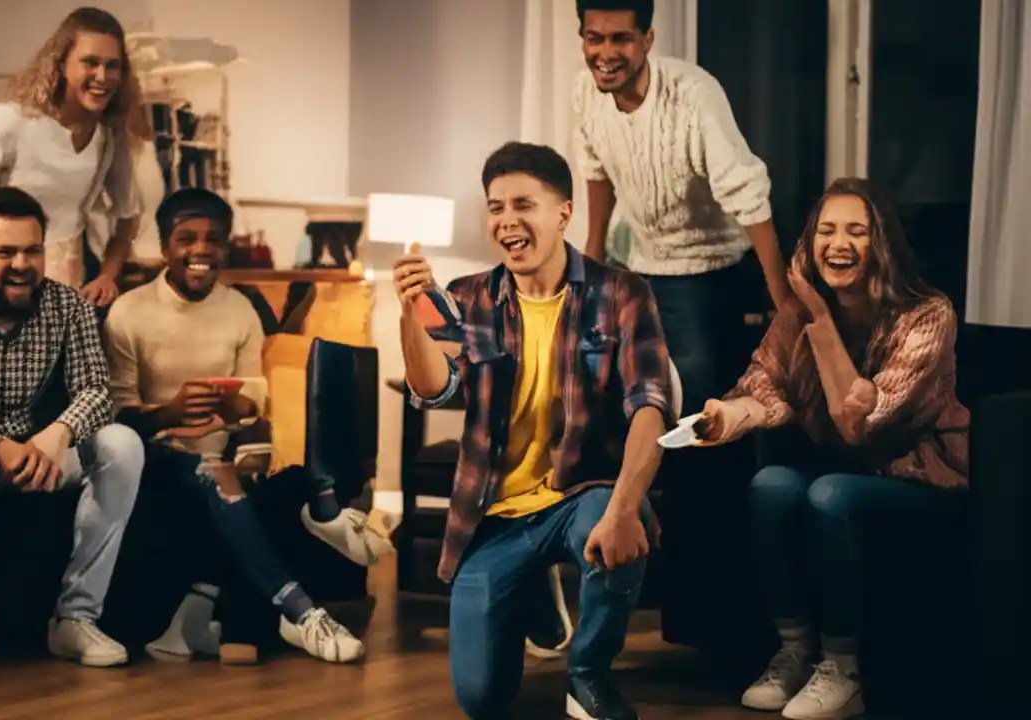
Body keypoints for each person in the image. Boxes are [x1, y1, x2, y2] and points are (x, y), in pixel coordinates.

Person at [395, 142, 673, 720]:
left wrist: (625, 509)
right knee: (481, 699)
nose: (507, 221)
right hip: (494, 517)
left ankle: (588, 675)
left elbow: (651, 406)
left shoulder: (622, 293)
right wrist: (409, 312)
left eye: (524, 204)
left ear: (564, 213)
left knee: (620, 522)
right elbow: (436, 388)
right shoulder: (469, 297)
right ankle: (532, 592)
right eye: (496, 207)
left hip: (579, 497)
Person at [694, 178, 969, 719]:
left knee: (827, 495)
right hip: (842, 470)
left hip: (920, 478)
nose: (837, 243)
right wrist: (726, 417)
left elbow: (859, 422)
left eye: (856, 231)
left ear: (882, 244)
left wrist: (820, 323)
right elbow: (763, 386)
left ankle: (843, 670)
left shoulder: (927, 314)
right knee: (771, 486)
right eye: (826, 230)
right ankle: (795, 650)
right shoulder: (796, 313)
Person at [103, 188, 386, 665]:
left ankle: (202, 618)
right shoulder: (129, 312)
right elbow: (117, 421)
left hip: (223, 458)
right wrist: (170, 414)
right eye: (186, 238)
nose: (201, 251)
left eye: (213, 239)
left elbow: (254, 403)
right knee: (215, 477)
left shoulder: (238, 308)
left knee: (285, 484)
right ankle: (299, 612)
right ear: (165, 247)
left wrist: (236, 408)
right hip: (156, 459)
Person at [0, 186, 144, 679]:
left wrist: (56, 435)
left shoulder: (67, 306)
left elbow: (98, 391)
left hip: (42, 453)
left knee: (123, 444)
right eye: (5, 251)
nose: (21, 264)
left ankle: (76, 618)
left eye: (32, 250)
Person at [572, 0, 790, 411]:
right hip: (633, 258)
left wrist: (783, 303)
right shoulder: (585, 90)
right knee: (616, 385)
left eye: (621, 38)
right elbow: (596, 168)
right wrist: (592, 261)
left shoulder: (694, 95)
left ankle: (693, 477)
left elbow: (747, 195)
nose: (605, 53)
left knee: (691, 394)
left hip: (702, 267)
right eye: (594, 38)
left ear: (647, 40)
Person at [0, 6, 141, 307]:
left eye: (113, 65)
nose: (102, 76)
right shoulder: (10, 120)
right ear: (61, 64)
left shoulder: (109, 135)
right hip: (3, 280)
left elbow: (128, 217)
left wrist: (108, 275)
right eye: (90, 62)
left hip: (69, 282)